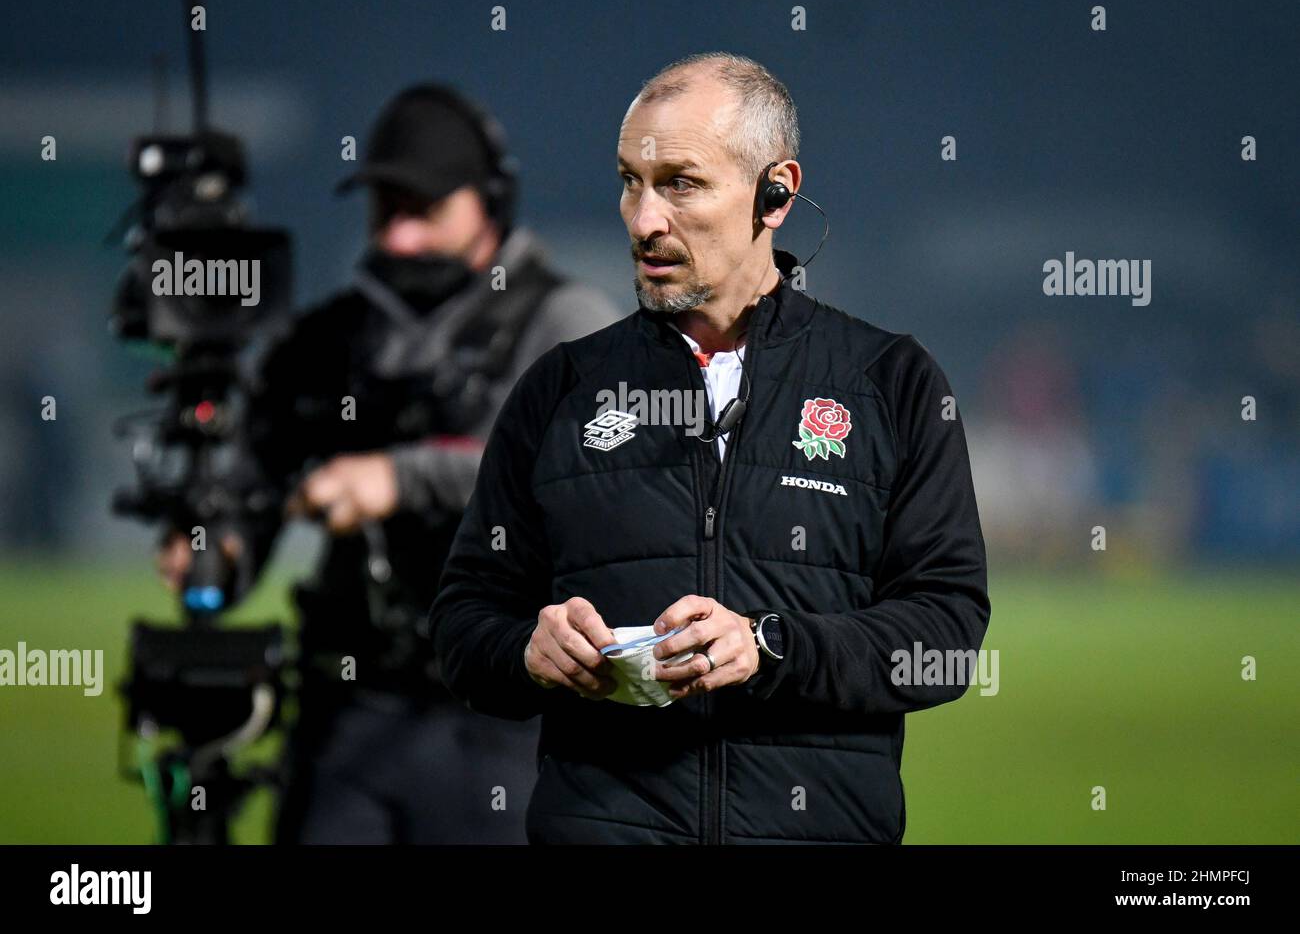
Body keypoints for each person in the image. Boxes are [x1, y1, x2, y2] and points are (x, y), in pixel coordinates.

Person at [430, 53, 991, 844]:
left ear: (777, 193)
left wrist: (768, 646)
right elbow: (462, 624)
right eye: (630, 181)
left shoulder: (890, 383)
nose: (643, 219)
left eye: (680, 184)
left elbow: (945, 636)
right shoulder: (560, 390)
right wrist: (528, 647)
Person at [158, 83, 620, 843]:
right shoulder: (331, 338)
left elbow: (570, 466)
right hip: (351, 708)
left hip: (508, 713)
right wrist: (218, 551)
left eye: (424, 210)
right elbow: (252, 481)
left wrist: (396, 479)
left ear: (490, 205)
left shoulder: (566, 324)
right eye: (386, 210)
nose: (399, 238)